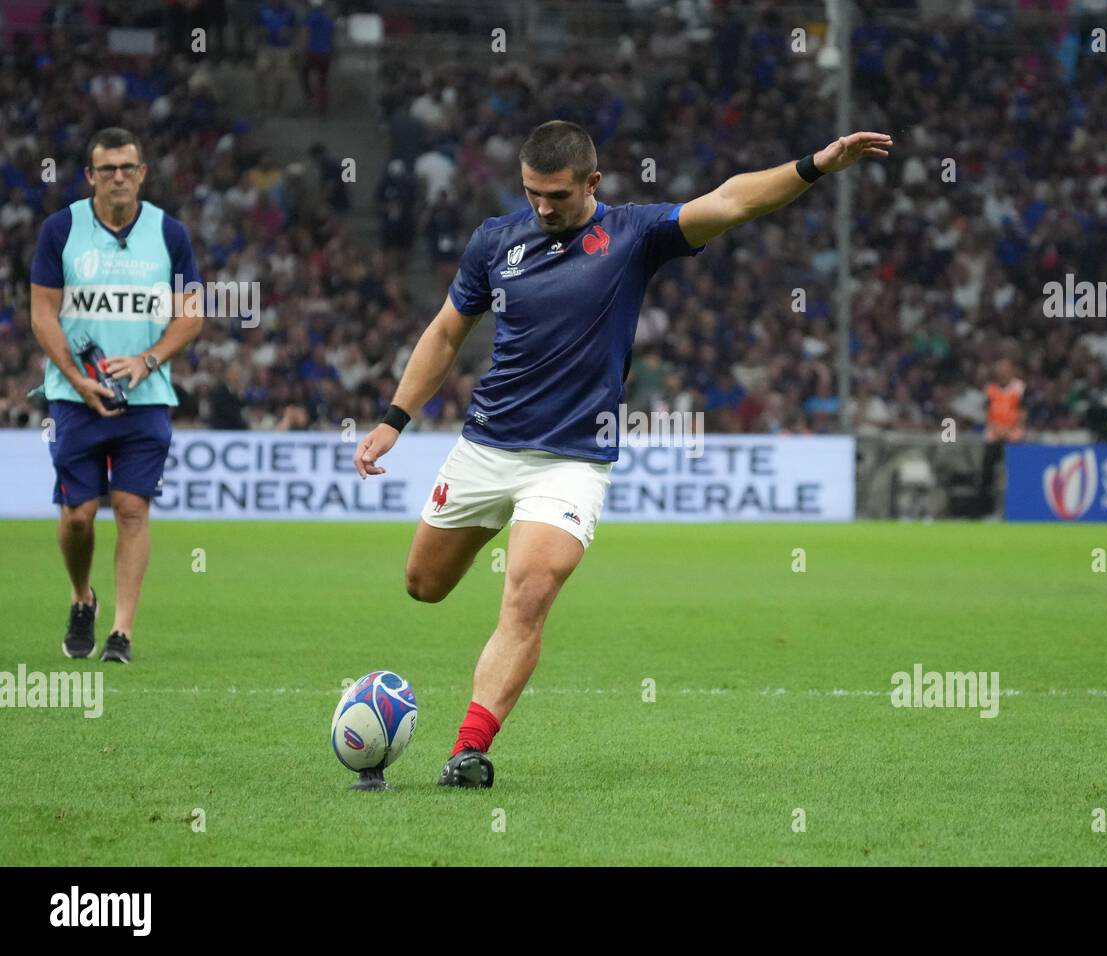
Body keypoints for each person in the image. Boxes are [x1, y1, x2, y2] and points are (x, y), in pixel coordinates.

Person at [351, 120, 892, 789]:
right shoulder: (494, 241)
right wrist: (394, 420)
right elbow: (443, 333)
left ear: (592, 182)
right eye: (531, 193)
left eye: (555, 194)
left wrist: (814, 163)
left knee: (526, 595)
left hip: (572, 460)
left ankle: (470, 750)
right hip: (485, 444)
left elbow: (732, 202)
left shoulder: (635, 234)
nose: (542, 207)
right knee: (423, 585)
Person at [29, 127, 205, 663]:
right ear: (90, 177)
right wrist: (74, 375)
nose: (119, 177)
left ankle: (122, 633)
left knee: (132, 508)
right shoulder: (60, 230)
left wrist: (149, 359)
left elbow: (192, 313)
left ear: (143, 173)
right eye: (107, 169)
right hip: (73, 397)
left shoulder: (169, 233)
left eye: (128, 167)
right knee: (78, 516)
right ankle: (83, 597)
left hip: (146, 398)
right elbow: (42, 311)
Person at [979, 358, 1026, 516]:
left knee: (1017, 474)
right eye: (1000, 369)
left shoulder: (1019, 388)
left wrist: (1009, 430)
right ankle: (986, 511)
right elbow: (987, 413)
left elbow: (1023, 412)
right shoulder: (990, 389)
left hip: (1013, 435)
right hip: (994, 435)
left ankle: (1018, 509)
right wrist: (997, 430)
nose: (1002, 372)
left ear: (1012, 370)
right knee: (987, 474)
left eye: (1006, 369)